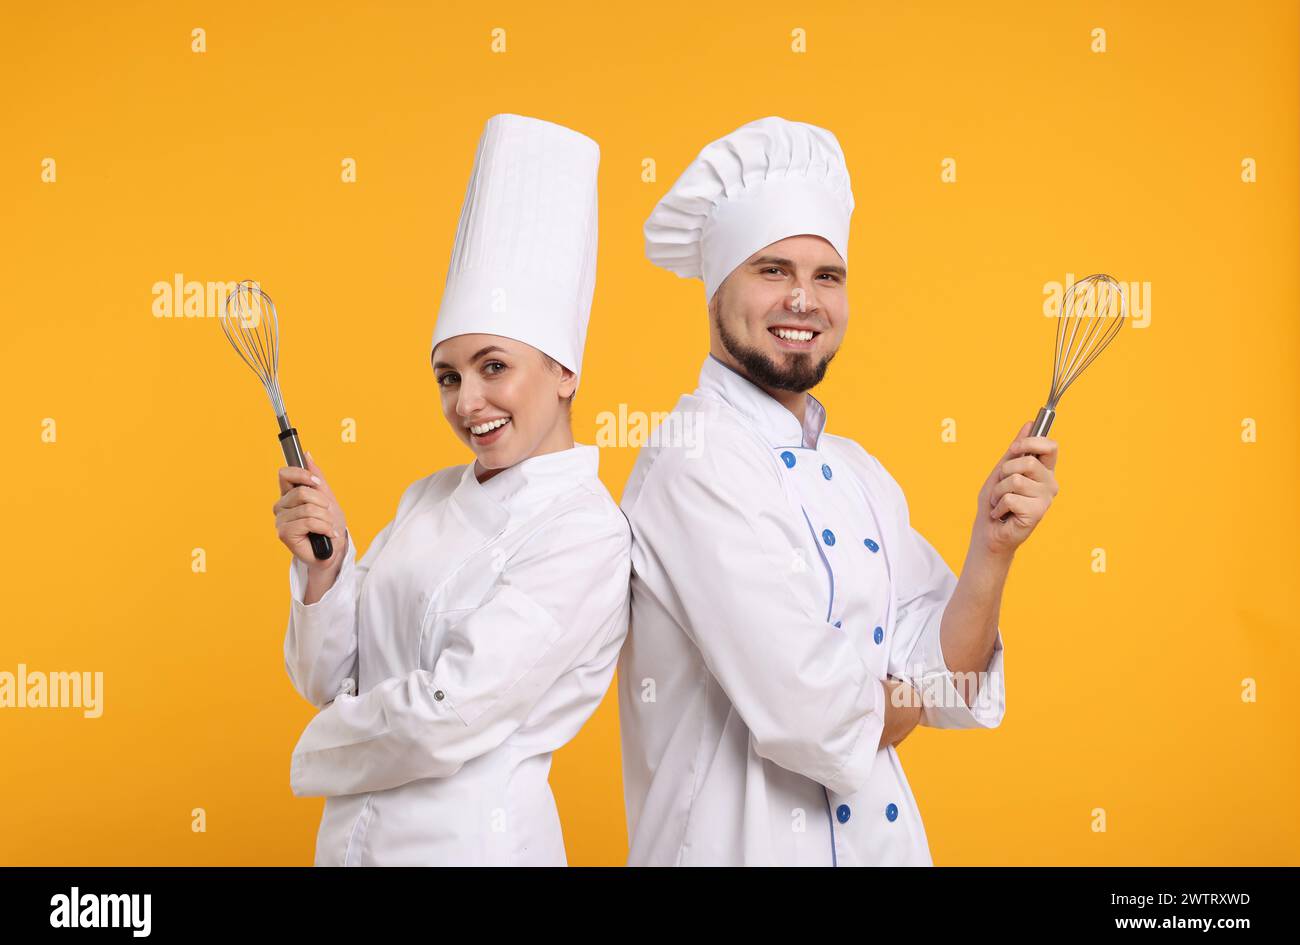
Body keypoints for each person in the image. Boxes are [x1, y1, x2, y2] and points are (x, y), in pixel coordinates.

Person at [617, 116, 1059, 866]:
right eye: (772, 270)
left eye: (827, 276)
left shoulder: (859, 474)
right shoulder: (690, 462)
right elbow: (813, 713)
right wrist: (901, 689)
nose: (804, 300)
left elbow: (947, 673)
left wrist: (992, 550)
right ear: (717, 286)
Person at [274, 113, 630, 866]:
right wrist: (328, 566)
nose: (468, 402)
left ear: (565, 371)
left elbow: (449, 711)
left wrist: (319, 746)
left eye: (493, 366)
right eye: (449, 375)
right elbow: (325, 676)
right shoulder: (426, 498)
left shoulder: (585, 531)